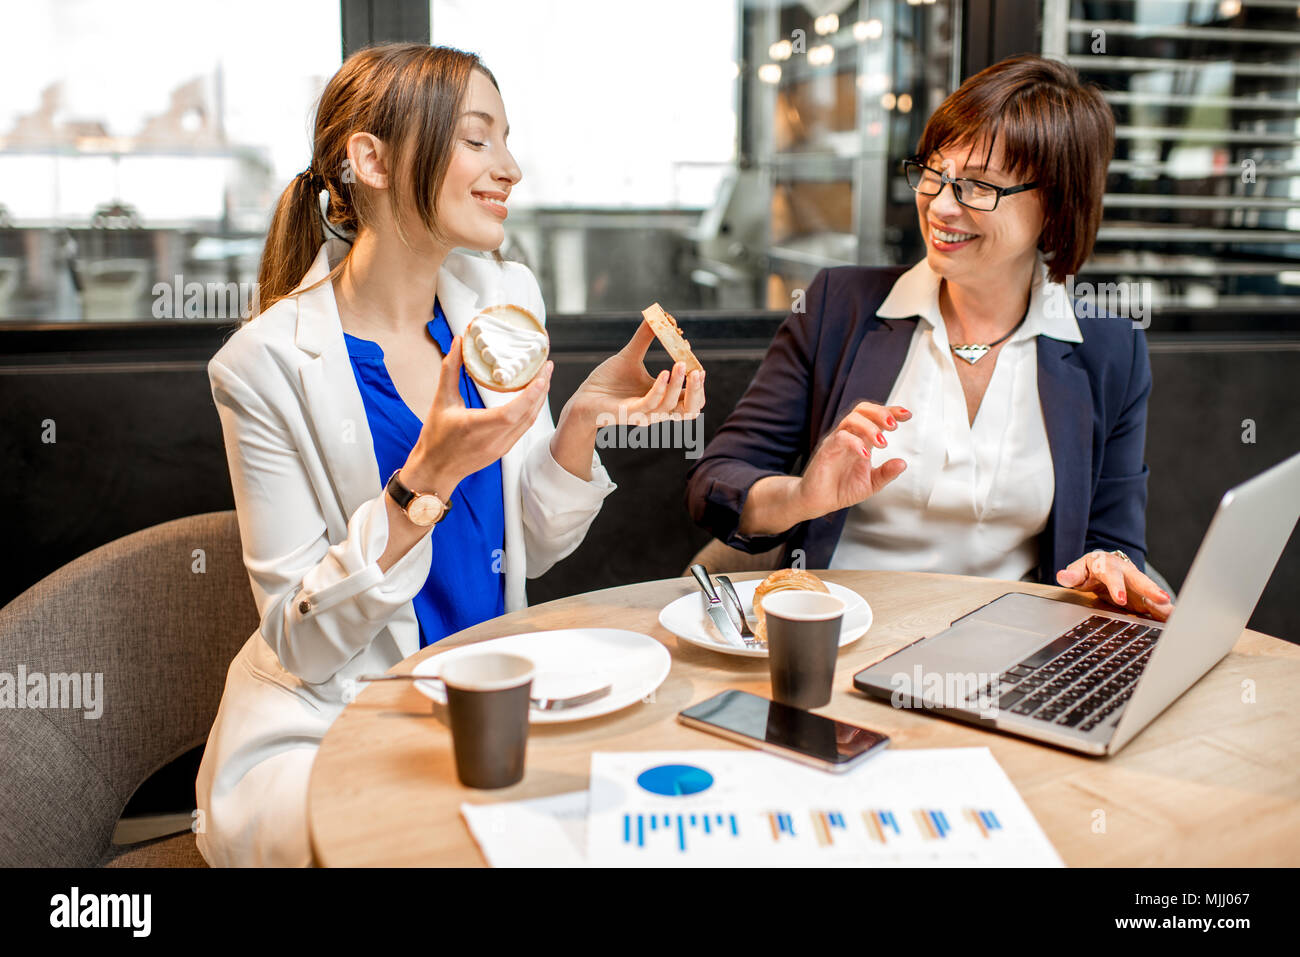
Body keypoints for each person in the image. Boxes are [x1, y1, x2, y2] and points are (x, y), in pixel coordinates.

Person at [196, 43, 704, 866]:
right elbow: (304, 640)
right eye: (478, 139)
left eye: (506, 138)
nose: (510, 167)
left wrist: (578, 424)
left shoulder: (505, 300)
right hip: (331, 731)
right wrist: (422, 481)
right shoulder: (264, 366)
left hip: (488, 699)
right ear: (371, 158)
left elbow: (527, 545)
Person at [686, 54, 1172, 621]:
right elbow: (715, 482)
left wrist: (1105, 568)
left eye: (978, 188)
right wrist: (802, 496)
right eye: (934, 174)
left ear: (1057, 204)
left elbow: (1113, 541)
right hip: (841, 636)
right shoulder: (840, 307)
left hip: (1012, 651)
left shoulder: (1108, 349)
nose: (941, 206)